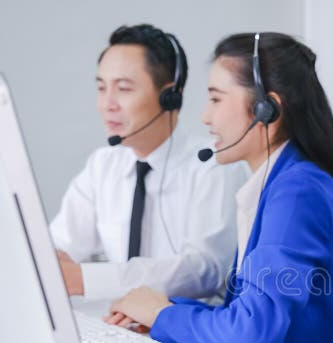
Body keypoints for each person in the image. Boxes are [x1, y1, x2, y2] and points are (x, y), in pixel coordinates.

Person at [107, 33, 333, 343]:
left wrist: (162, 316)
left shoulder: (297, 192)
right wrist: (165, 310)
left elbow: (251, 332)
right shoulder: (281, 182)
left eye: (215, 99)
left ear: (265, 109)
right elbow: (245, 313)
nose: (205, 117)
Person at [50, 24, 244, 301]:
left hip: (187, 334)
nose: (107, 104)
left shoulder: (213, 164)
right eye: (101, 88)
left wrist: (85, 278)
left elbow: (205, 270)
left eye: (123, 89)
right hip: (120, 327)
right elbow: (60, 245)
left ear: (169, 97)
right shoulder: (102, 165)